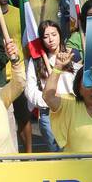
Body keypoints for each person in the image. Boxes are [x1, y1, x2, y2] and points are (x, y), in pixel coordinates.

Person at [23, 20, 71, 152]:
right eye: (46, 36)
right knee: (57, 155)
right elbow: (30, 90)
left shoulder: (73, 54)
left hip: (72, 110)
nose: (51, 39)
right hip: (48, 114)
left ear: (60, 35)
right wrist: (48, 101)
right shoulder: (37, 60)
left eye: (54, 34)